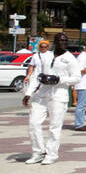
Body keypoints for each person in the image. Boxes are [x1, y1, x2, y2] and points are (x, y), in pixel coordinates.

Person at [24, 34, 80, 165]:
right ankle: (38, 152)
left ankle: (51, 154)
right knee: (34, 123)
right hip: (41, 93)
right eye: (60, 40)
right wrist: (29, 92)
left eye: (65, 41)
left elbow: (77, 77)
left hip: (58, 95)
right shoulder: (46, 56)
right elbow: (37, 75)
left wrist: (60, 79)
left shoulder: (70, 58)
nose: (63, 43)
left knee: (54, 127)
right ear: (54, 42)